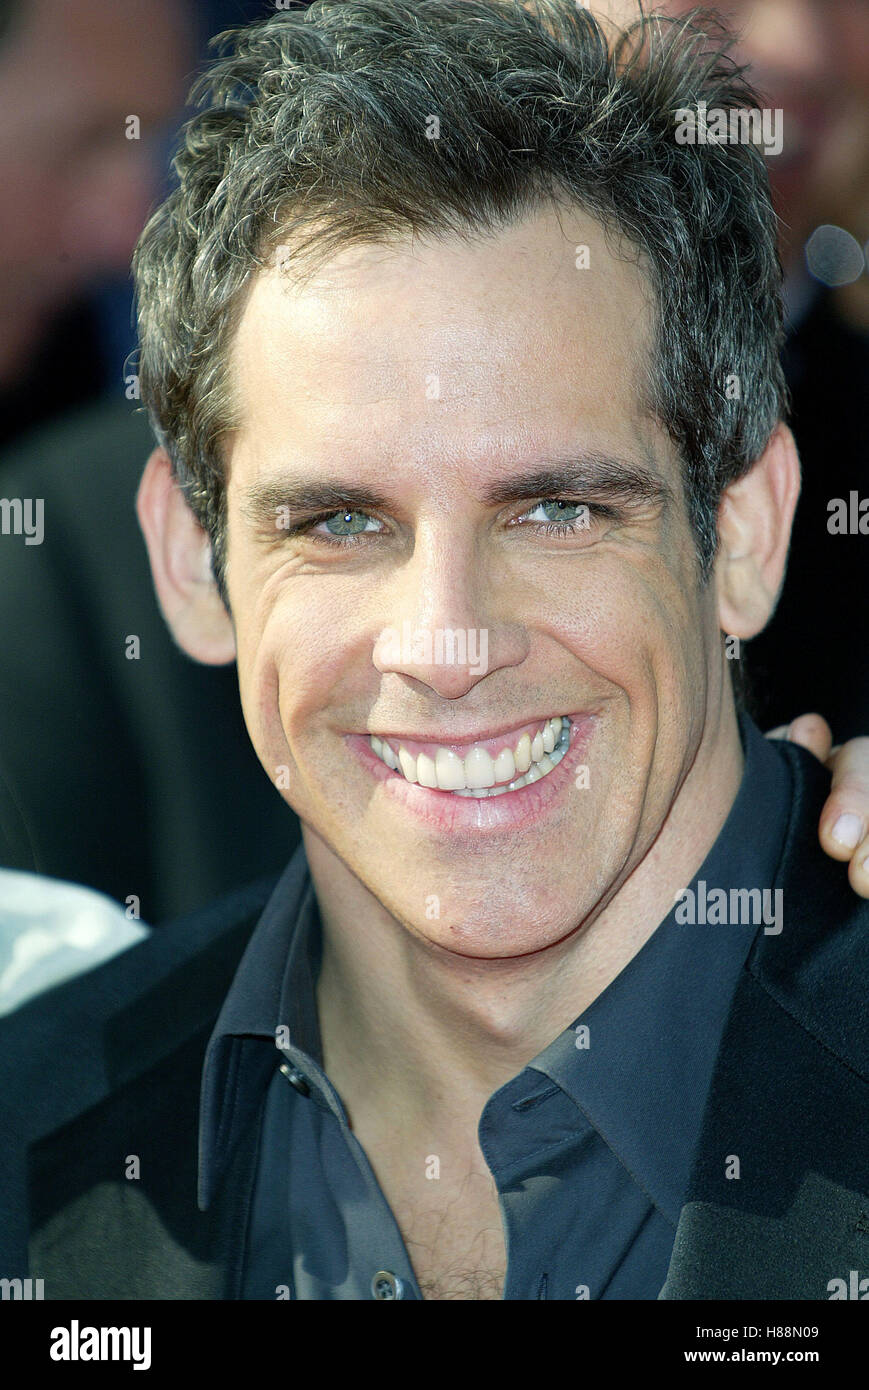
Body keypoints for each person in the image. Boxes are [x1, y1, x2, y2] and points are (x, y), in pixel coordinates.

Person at [2, 0, 868, 1300]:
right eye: (339, 522)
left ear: (741, 527)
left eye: (557, 510)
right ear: (193, 562)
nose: (446, 642)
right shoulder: (32, 1140)